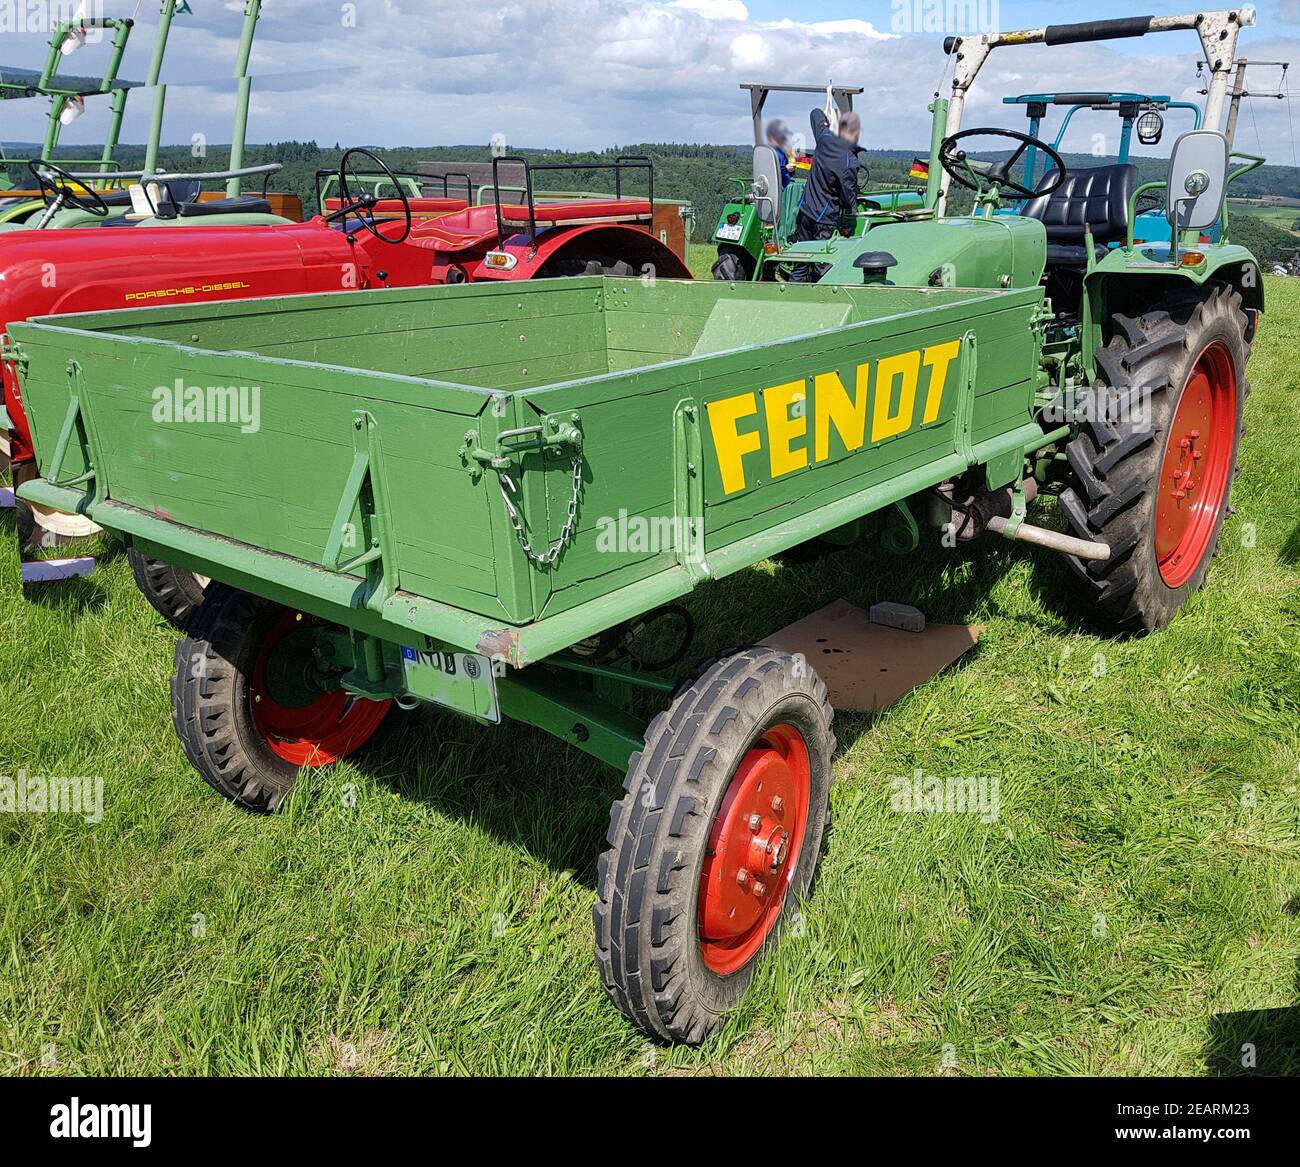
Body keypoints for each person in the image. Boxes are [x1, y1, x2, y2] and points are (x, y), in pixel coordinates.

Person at [790, 108, 861, 282]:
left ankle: (791, 296)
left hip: (805, 211)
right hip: (824, 219)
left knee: (801, 261)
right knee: (823, 264)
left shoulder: (825, 139)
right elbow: (848, 197)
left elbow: (814, 113)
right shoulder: (848, 161)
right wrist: (851, 213)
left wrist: (827, 122)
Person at [764, 118, 794, 188]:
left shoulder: (783, 152)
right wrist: (786, 169)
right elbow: (769, 171)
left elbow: (790, 174)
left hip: (784, 188)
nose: (784, 139)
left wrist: (792, 166)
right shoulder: (767, 152)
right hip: (774, 189)